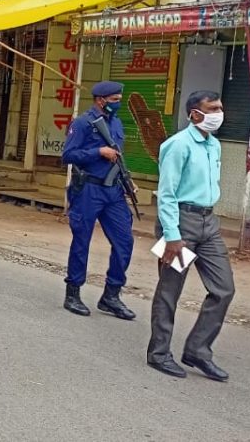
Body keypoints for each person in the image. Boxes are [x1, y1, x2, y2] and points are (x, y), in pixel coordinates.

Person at [147, 91, 232, 382]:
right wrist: (172, 236)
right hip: (180, 224)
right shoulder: (177, 146)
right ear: (195, 114)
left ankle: (197, 350)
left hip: (208, 223)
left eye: (220, 108)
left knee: (224, 289)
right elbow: (167, 194)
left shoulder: (215, 145)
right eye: (213, 109)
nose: (219, 113)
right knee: (170, 289)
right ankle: (158, 353)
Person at [61, 80, 136, 320]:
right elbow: (68, 155)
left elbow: (119, 157)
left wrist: (128, 181)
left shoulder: (116, 122)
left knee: (125, 241)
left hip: (113, 191)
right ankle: (73, 292)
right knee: (82, 241)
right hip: (88, 190)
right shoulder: (83, 123)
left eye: (119, 99)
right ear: (100, 100)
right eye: (114, 100)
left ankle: (111, 295)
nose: (118, 103)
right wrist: (97, 152)